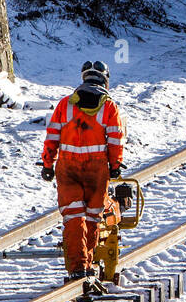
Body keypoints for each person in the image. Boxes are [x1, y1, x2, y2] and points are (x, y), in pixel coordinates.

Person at [38, 60, 127, 281]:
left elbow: (52, 137)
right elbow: (116, 139)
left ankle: (79, 267)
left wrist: (48, 164)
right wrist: (115, 166)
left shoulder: (65, 105)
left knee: (73, 214)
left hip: (68, 168)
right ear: (105, 79)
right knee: (93, 216)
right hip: (96, 170)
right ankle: (88, 264)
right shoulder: (109, 107)